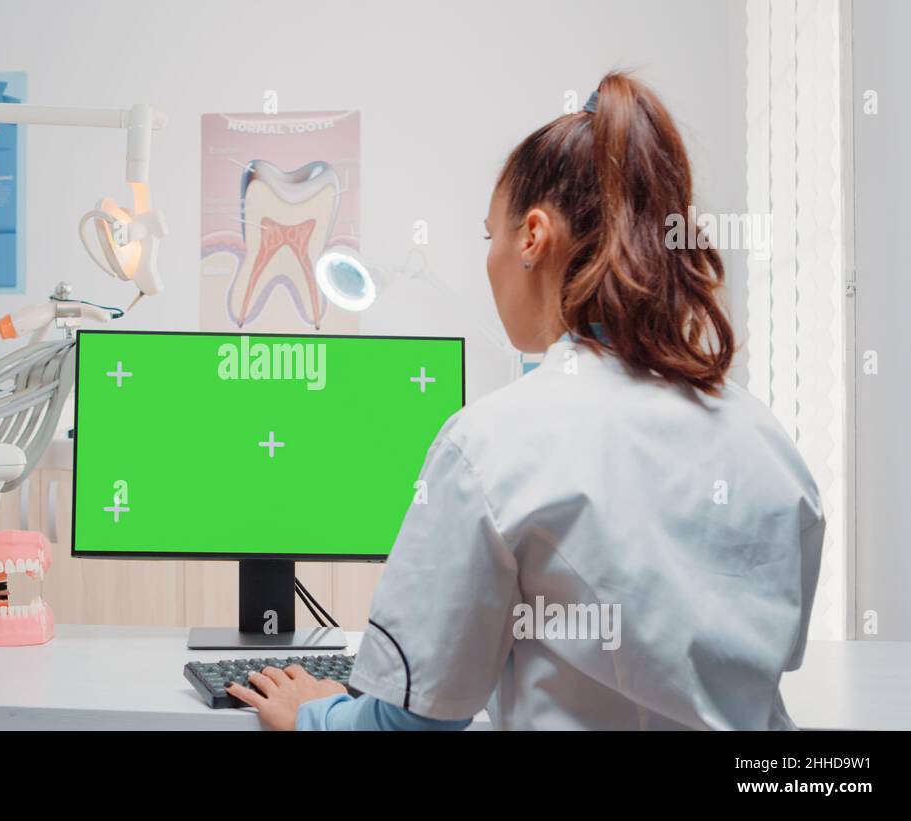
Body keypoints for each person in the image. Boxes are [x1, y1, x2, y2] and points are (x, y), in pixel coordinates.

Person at [226, 71, 826, 731]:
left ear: (532, 237)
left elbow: (411, 724)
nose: (490, 260)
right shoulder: (767, 442)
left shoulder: (492, 445)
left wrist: (312, 713)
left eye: (491, 236)